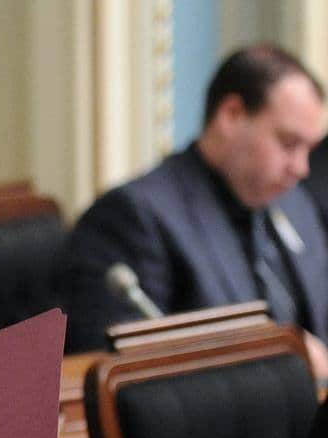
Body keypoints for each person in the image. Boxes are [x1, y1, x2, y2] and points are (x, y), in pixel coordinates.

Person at [62, 44, 328, 369]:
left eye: (308, 149)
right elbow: (121, 380)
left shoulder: (295, 204)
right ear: (231, 115)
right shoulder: (135, 218)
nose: (301, 168)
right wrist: (283, 367)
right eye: (288, 144)